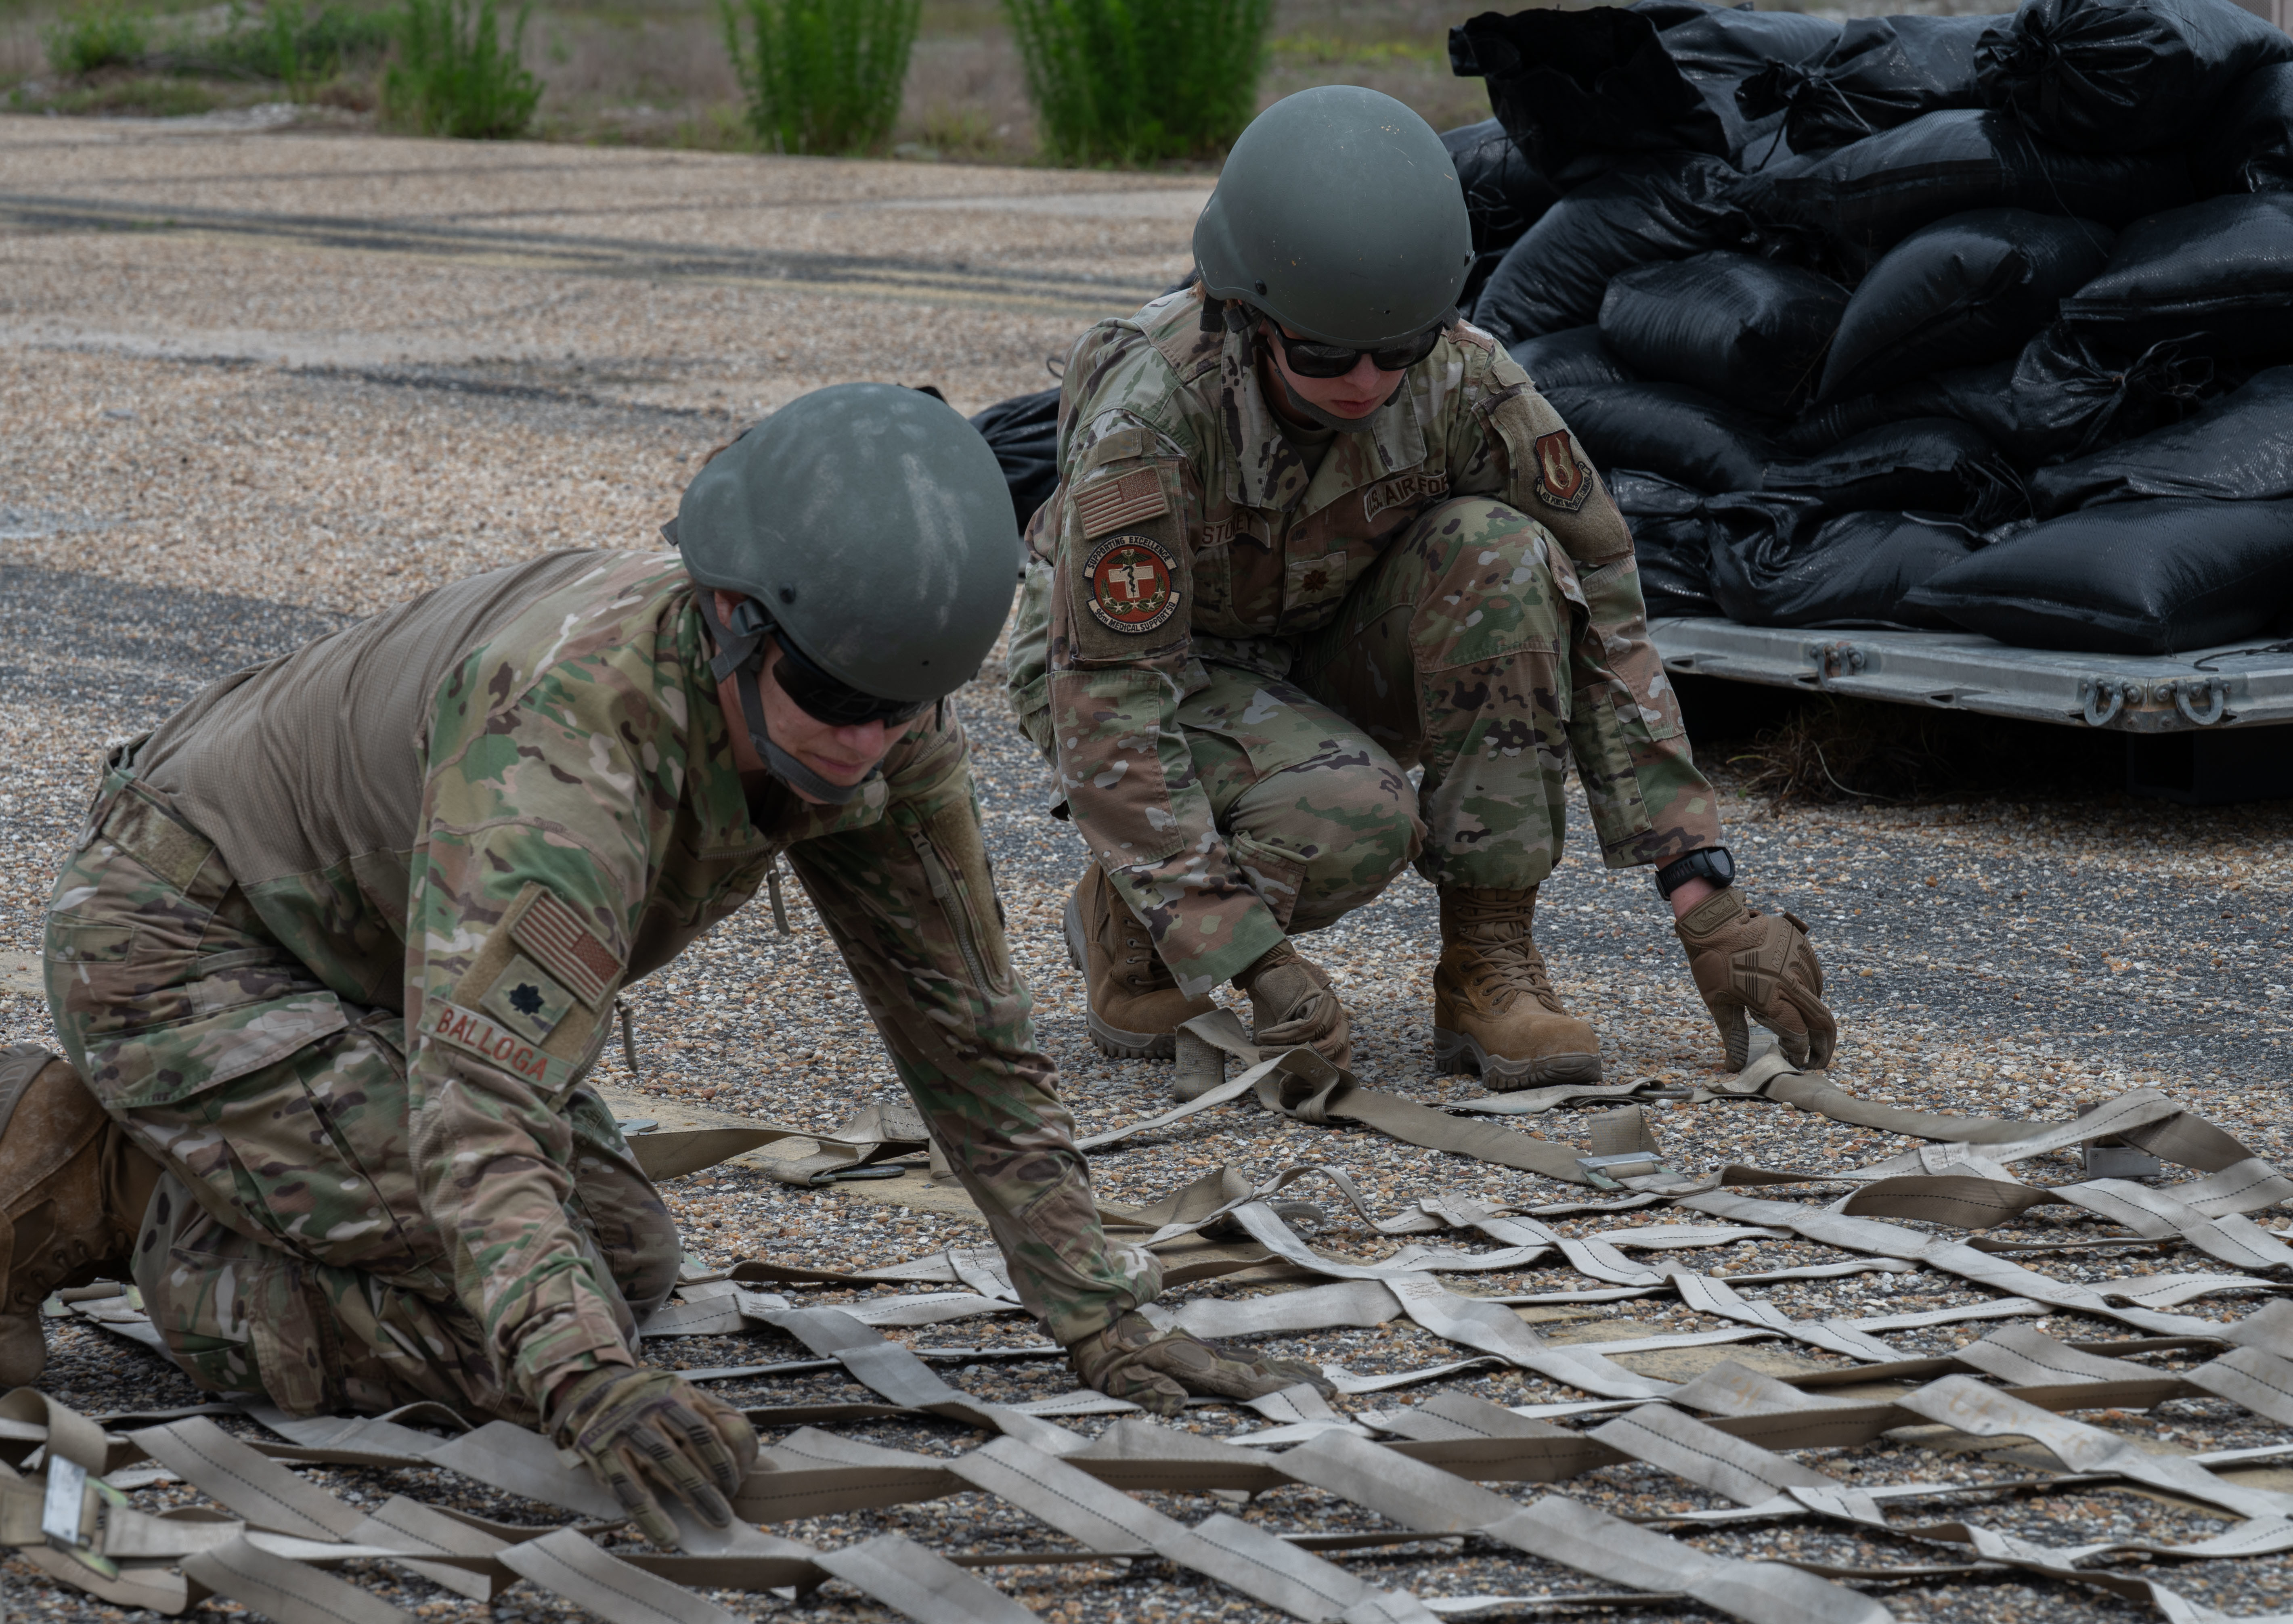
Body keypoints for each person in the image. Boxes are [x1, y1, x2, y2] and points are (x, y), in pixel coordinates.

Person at [1, 384, 1325, 1548]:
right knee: (510, 1334)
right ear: (735, 623)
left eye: (900, 709)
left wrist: (1102, 1314)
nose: (867, 744)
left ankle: (223, 1159)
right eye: (836, 701)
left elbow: (966, 1040)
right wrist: (587, 1385)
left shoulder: (870, 701)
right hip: (180, 944)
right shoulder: (573, 739)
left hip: (383, 968)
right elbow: (482, 1115)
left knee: (618, 1259)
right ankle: (92, 1177)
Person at [1008, 86, 1838, 1091]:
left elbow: (1606, 608)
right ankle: (1129, 928)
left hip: (1322, 634)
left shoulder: (1462, 379)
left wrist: (1704, 893)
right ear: (1250, 312)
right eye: (1324, 353)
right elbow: (1111, 702)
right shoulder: (1156, 413)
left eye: (1395, 349)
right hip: (1147, 671)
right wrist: (1244, 955)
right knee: (1351, 821)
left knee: (1508, 555)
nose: (1366, 381)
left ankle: (1490, 961)